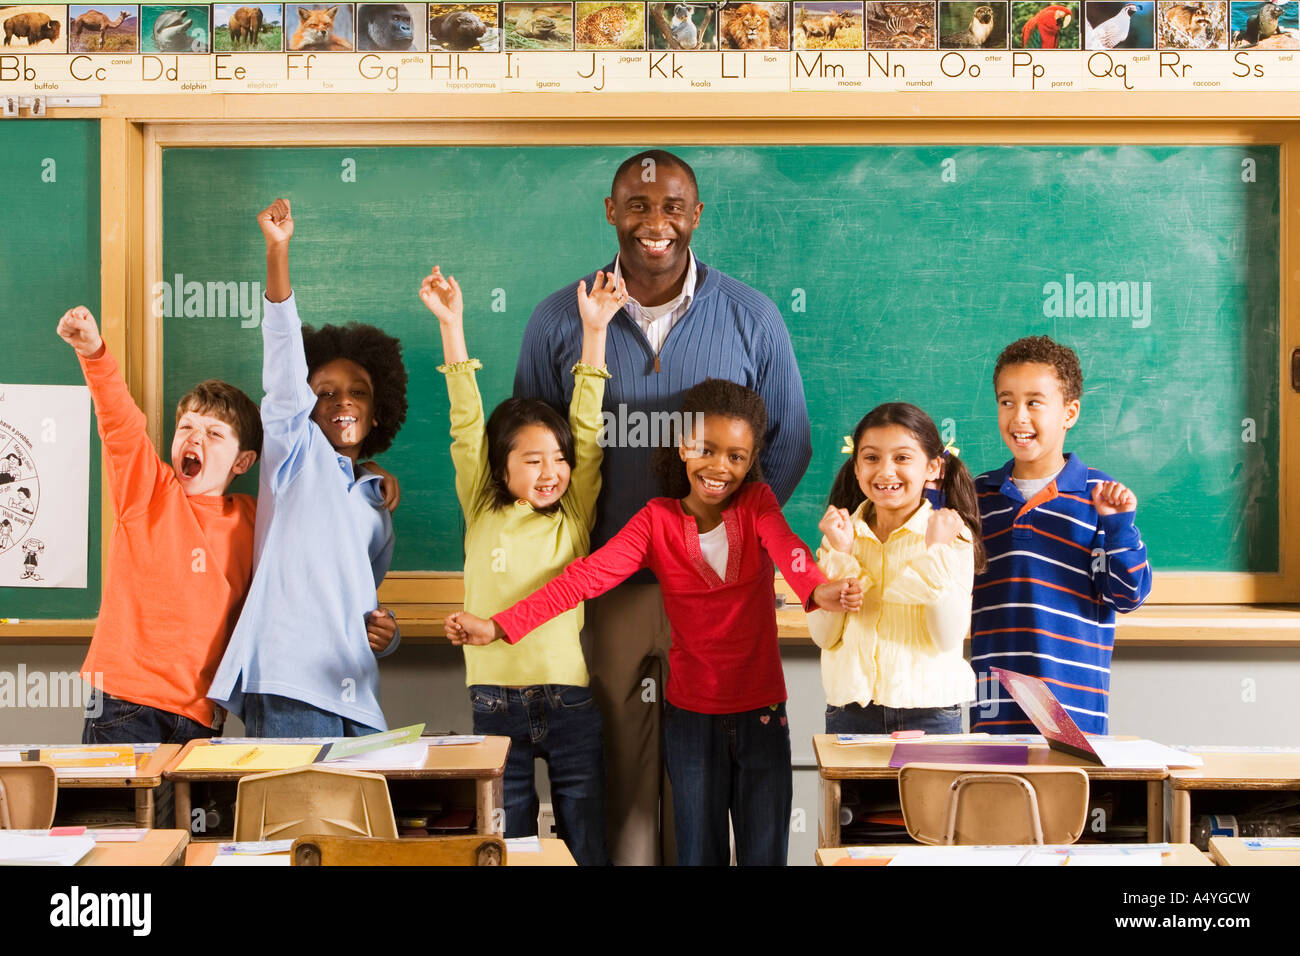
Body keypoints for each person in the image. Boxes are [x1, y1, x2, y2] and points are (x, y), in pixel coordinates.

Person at [514, 149, 812, 864]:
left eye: (673, 207)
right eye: (639, 206)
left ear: (696, 216)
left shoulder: (752, 316)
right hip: (607, 588)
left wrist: (722, 542)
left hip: (712, 595)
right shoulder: (562, 316)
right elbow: (528, 451)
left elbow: (788, 445)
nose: (657, 223)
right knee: (617, 769)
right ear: (611, 212)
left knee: (698, 774)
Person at [447, 379, 860, 866]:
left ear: (751, 462)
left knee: (764, 854)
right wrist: (498, 627)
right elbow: (581, 580)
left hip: (762, 715)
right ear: (682, 444)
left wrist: (815, 588)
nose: (719, 467)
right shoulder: (656, 521)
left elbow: (787, 546)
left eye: (736, 456)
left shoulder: (757, 505)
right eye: (705, 449)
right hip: (690, 720)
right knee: (696, 855)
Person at [421, 263, 626, 865]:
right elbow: (465, 424)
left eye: (556, 459)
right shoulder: (481, 508)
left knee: (584, 838)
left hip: (569, 700)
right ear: (501, 467)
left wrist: (596, 334)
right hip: (493, 700)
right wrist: (451, 327)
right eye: (532, 460)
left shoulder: (574, 517)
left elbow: (588, 429)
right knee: (505, 845)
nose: (550, 472)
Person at [209, 198, 409, 737]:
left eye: (358, 393)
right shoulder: (292, 453)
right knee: (296, 821)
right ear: (306, 404)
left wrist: (387, 634)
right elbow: (281, 355)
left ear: (378, 409)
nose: (343, 402)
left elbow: (360, 600)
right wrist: (279, 251)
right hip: (288, 681)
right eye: (325, 393)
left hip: (357, 693)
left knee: (361, 822)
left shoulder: (377, 501)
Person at [56, 304, 260, 747]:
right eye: (186, 427)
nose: (194, 439)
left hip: (203, 716)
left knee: (193, 820)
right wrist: (94, 355)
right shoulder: (148, 493)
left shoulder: (252, 519)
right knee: (122, 818)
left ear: (243, 461)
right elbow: (120, 426)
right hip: (126, 704)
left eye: (214, 434)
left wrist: (369, 478)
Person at [971, 336, 1151, 735]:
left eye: (1035, 402)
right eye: (1007, 401)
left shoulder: (1101, 496)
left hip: (1073, 710)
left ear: (1069, 412)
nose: (1019, 416)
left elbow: (1128, 596)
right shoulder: (976, 496)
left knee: (1065, 797)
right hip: (993, 704)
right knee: (993, 795)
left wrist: (1119, 526)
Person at [809, 403, 982, 735]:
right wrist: (842, 555)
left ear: (933, 467)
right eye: (872, 458)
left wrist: (934, 550)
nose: (885, 472)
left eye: (902, 458)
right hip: (851, 712)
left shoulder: (950, 537)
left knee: (927, 791)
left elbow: (946, 637)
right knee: (851, 791)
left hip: (929, 712)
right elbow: (824, 636)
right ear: (856, 467)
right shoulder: (840, 536)